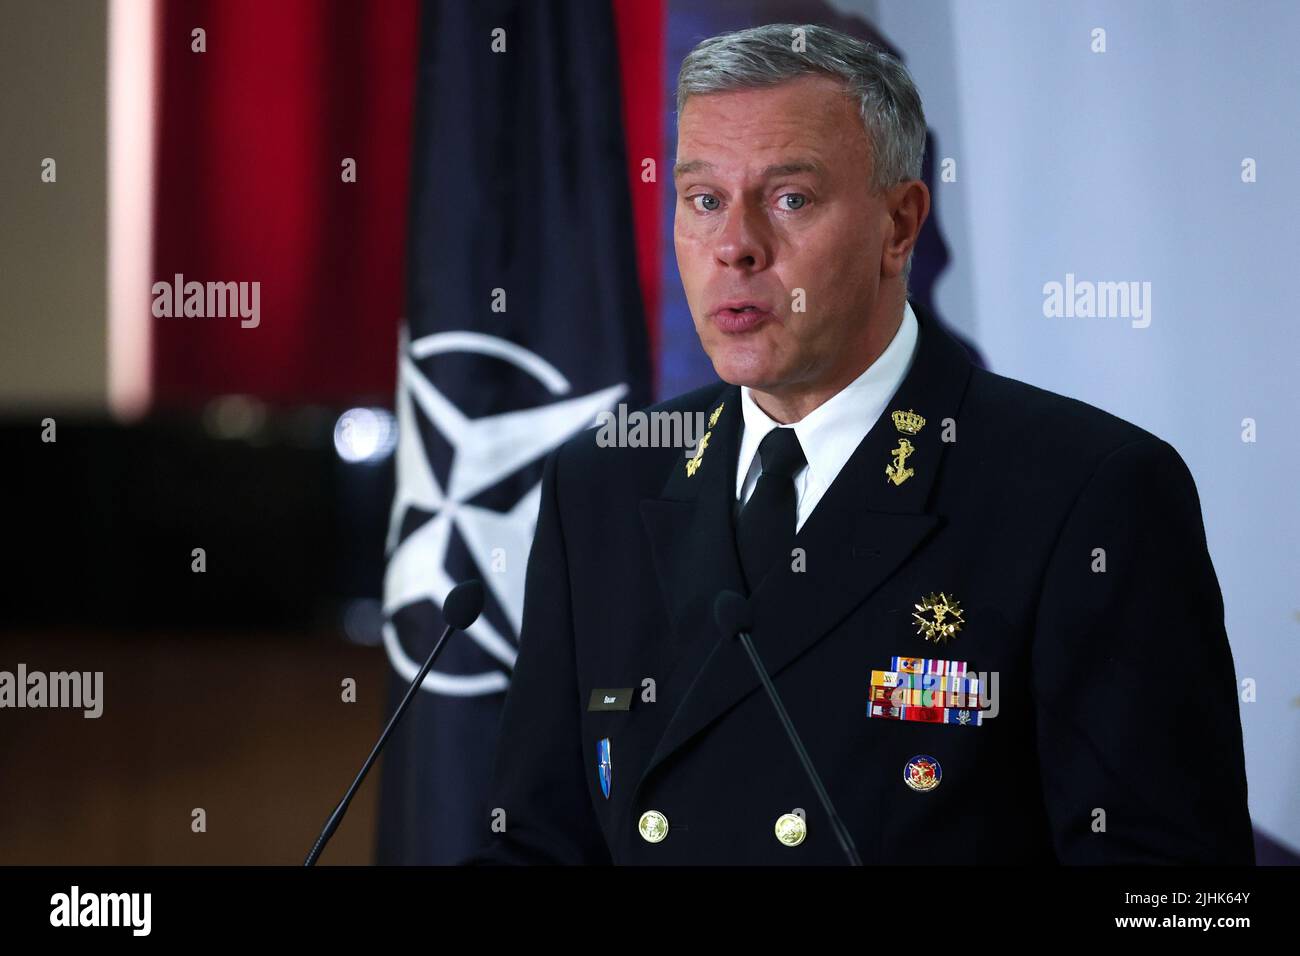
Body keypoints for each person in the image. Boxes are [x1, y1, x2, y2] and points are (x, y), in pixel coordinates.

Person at [466, 22, 1253, 864]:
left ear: (899, 225)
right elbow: (536, 845)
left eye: (789, 198)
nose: (735, 246)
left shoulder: (1087, 492)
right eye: (702, 200)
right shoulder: (606, 479)